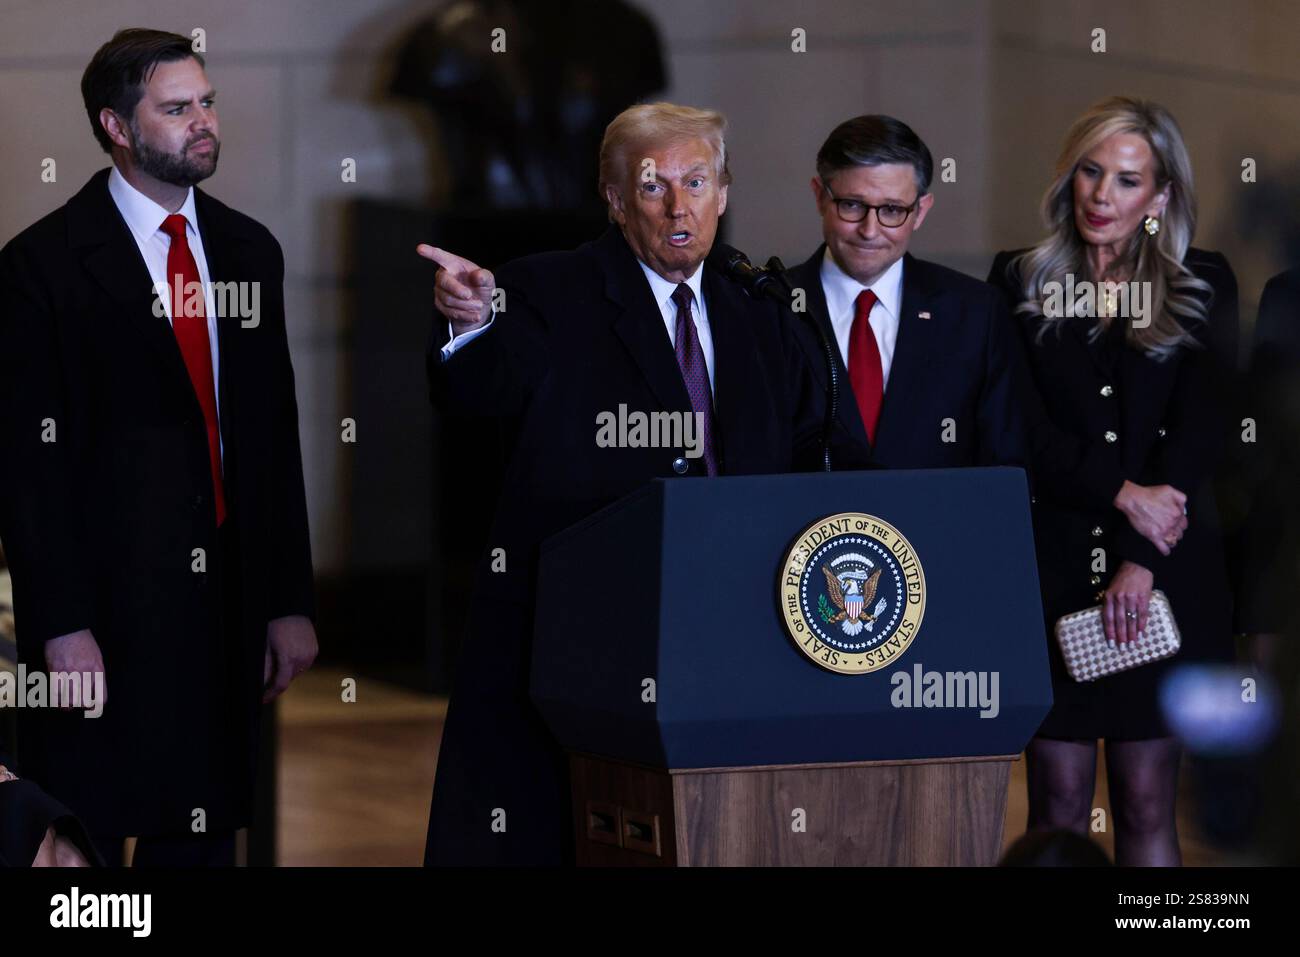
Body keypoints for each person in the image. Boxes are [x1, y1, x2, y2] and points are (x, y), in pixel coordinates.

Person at [420, 102, 869, 865]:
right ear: (615, 197)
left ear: (724, 192)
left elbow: (812, 451)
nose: (678, 203)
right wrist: (471, 323)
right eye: (653, 185)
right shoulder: (547, 292)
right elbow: (478, 397)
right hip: (584, 643)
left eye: (696, 181)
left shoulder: (759, 308)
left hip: (733, 635)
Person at [0, 28, 318, 866]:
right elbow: (30, 469)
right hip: (102, 608)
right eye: (176, 109)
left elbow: (272, 437)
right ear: (115, 125)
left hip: (222, 605)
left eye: (206, 102)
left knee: (204, 839)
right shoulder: (40, 267)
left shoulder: (251, 249)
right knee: (88, 838)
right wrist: (62, 624)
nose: (203, 123)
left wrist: (289, 598)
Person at [988, 95, 1238, 865]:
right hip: (1052, 566)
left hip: (1167, 563)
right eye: (1090, 173)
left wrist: (1139, 554)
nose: (1102, 195)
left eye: (1127, 181)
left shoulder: (1203, 281)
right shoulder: (1019, 278)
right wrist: (1123, 492)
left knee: (1143, 797)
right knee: (1057, 799)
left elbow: (1203, 433)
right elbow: (1019, 428)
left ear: (1160, 196)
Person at [784, 115, 1027, 469]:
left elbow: (1004, 467)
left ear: (920, 211)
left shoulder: (974, 312)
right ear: (820, 197)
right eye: (852, 205)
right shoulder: (769, 305)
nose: (870, 230)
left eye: (892, 210)